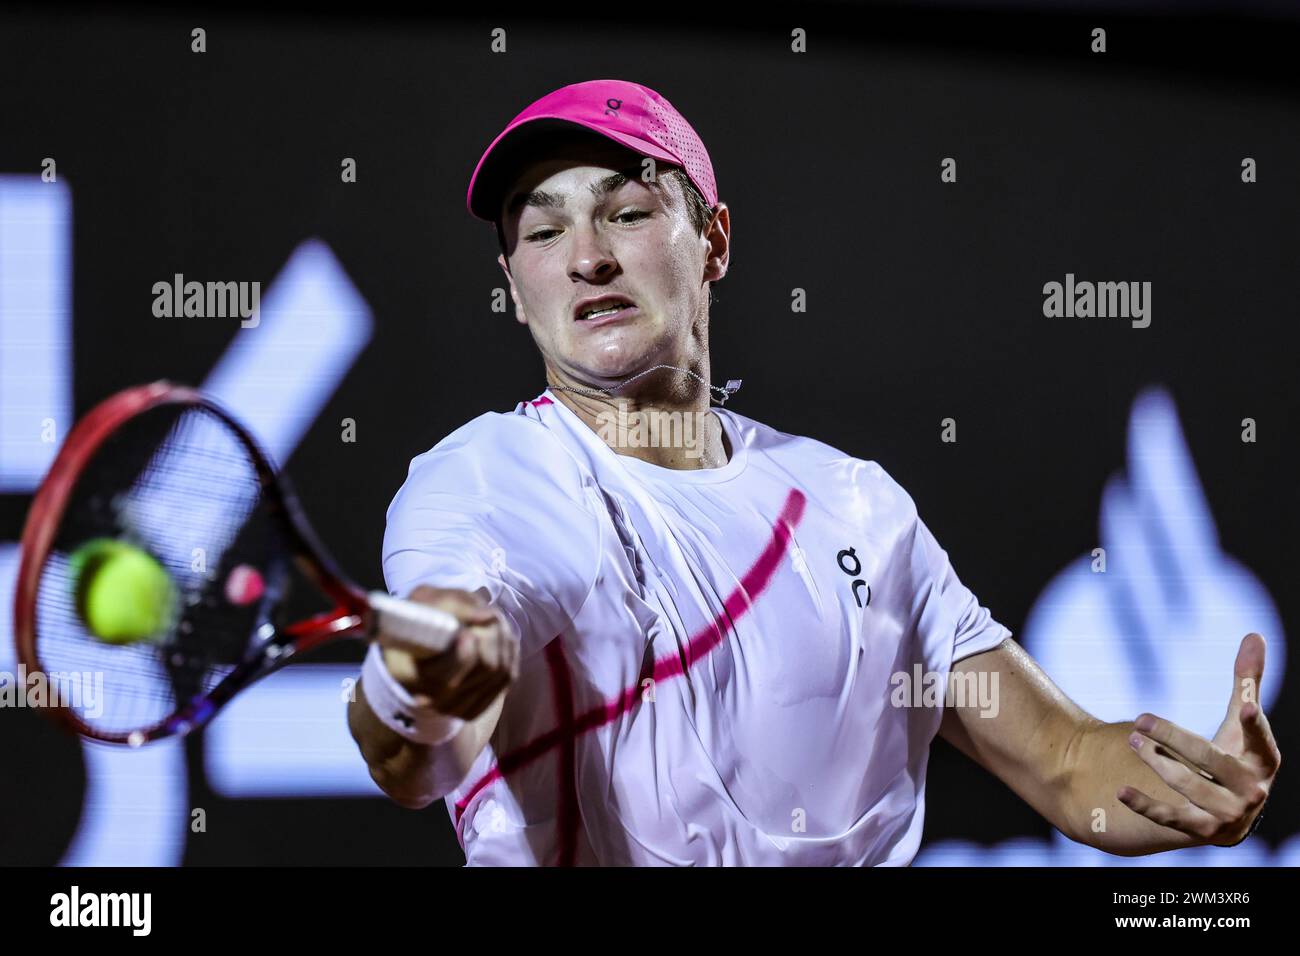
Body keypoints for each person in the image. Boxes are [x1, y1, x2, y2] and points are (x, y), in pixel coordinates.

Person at [347, 79, 1279, 866]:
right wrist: (416, 689)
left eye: (627, 213)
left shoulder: (855, 506)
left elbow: (1068, 763)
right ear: (515, 284)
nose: (588, 256)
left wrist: (1190, 788)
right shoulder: (483, 483)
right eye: (542, 234)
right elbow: (415, 759)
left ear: (712, 242)